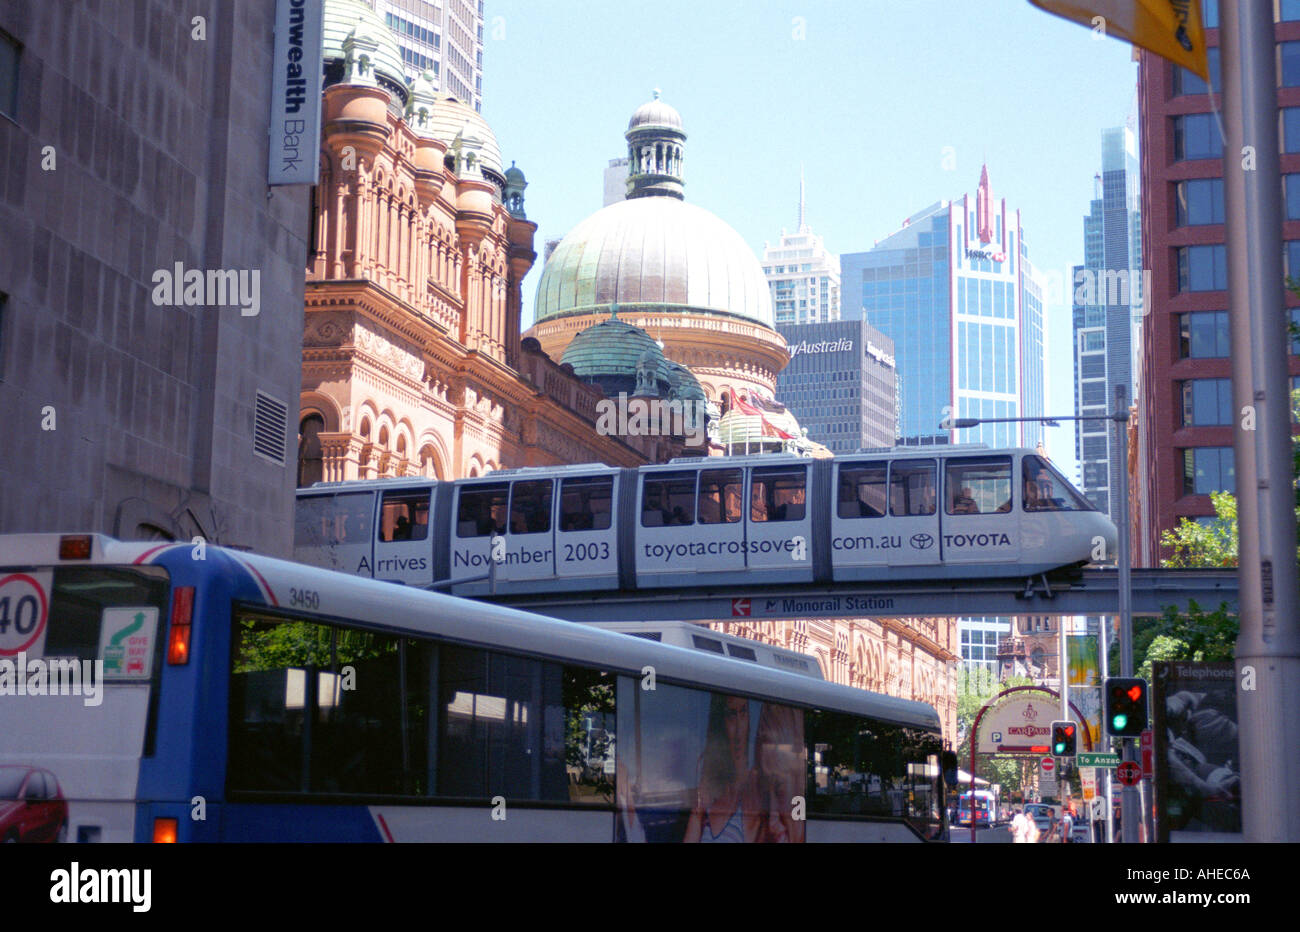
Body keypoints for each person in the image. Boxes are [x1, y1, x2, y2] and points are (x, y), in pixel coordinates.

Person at [684, 695, 760, 843]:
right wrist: (698, 811)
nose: (739, 730)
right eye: (731, 716)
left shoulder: (753, 787)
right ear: (721, 724)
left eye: (743, 713)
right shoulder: (710, 791)